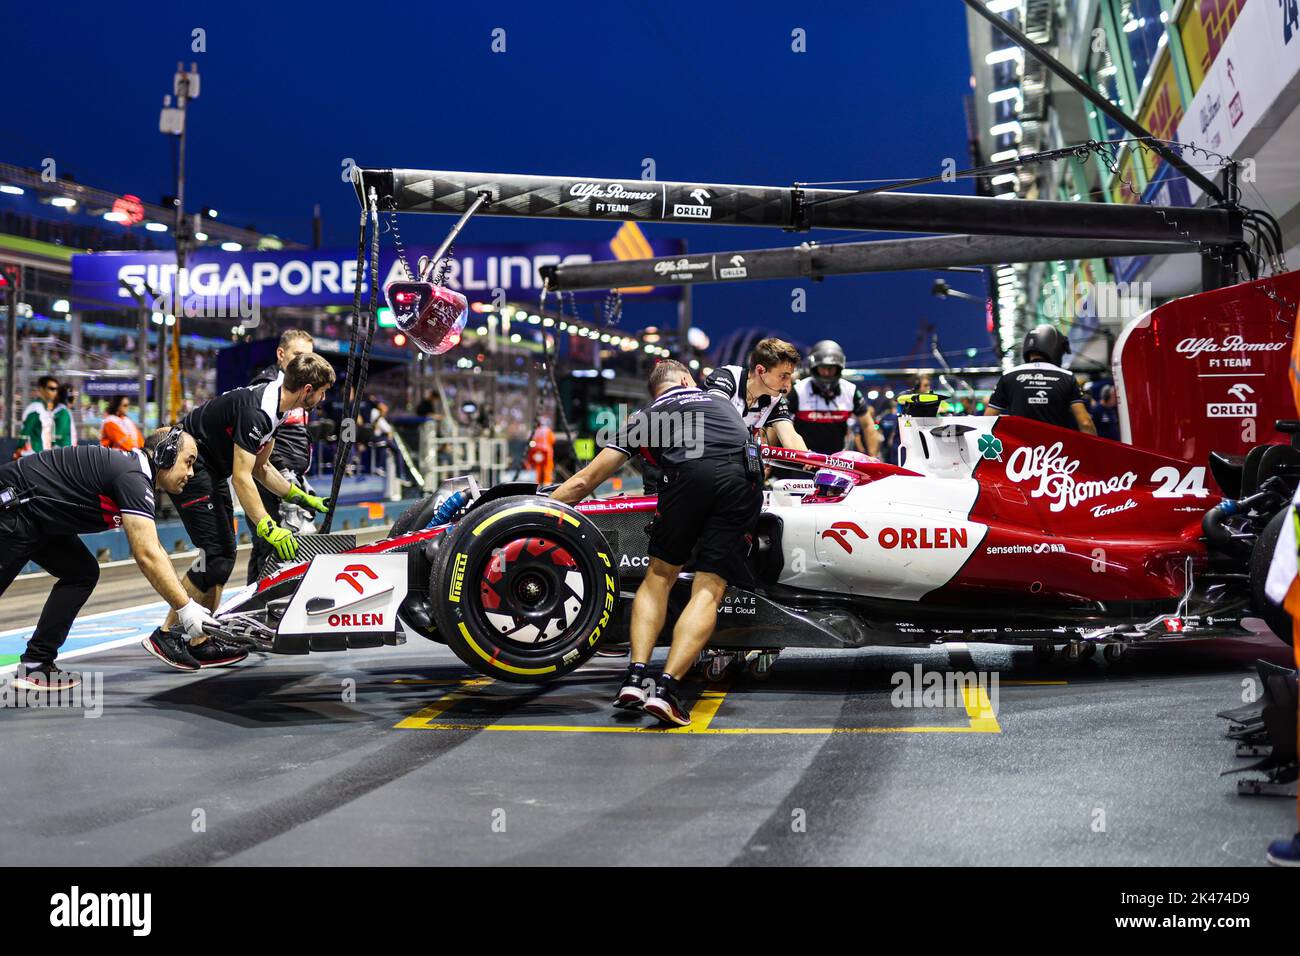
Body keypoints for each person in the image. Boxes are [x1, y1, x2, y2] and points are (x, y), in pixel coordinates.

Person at [551, 359, 762, 726]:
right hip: (738, 479)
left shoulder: (646, 417)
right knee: (709, 586)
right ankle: (667, 689)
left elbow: (584, 483)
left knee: (660, 576)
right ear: (686, 380)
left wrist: (535, 509)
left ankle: (635, 678)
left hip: (683, 479)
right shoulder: (721, 401)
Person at [143, 351, 337, 669]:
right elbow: (243, 477)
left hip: (209, 468)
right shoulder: (259, 411)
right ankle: (167, 635)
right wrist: (267, 526)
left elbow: (262, 469)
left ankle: (200, 640)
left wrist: (302, 498)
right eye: (322, 391)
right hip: (190, 464)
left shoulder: (276, 409)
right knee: (216, 553)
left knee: (222, 557)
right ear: (307, 390)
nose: (323, 397)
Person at [0, 428, 233, 690]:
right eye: (188, 462)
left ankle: (36, 664)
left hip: (38, 518)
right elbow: (146, 555)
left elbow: (155, 547)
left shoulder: (135, 475)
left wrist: (185, 605)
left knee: (81, 573)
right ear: (166, 456)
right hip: (13, 509)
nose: (191, 473)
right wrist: (185, 609)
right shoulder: (132, 477)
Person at [245, 329, 317, 584]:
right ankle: (255, 604)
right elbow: (259, 440)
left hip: (291, 477)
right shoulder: (266, 387)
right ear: (281, 354)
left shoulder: (302, 390)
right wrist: (284, 476)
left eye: (309, 356)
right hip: (268, 480)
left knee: (284, 546)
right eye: (298, 355)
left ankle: (260, 601)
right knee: (269, 545)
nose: (304, 363)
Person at [985, 324, 1096, 434]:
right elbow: (1085, 423)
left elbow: (988, 419)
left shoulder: (1008, 375)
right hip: (1056, 449)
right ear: (1056, 348)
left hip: (1020, 450)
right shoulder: (1067, 377)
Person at [701, 337, 807, 450]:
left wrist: (809, 460)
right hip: (697, 451)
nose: (788, 384)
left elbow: (790, 437)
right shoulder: (726, 377)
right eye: (783, 376)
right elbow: (718, 417)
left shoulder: (774, 398)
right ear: (760, 370)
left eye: (790, 376)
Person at [786, 339, 879, 456]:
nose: (826, 372)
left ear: (839, 368)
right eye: (822, 367)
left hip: (837, 462)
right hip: (803, 461)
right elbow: (779, 422)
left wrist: (873, 457)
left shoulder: (850, 390)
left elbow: (868, 424)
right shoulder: (799, 390)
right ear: (814, 367)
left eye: (831, 368)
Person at [20, 376, 57, 455]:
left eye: (56, 389)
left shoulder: (48, 410)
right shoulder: (35, 408)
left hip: (45, 455)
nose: (54, 392)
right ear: (41, 389)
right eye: (51, 389)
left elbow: (51, 435)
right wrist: (19, 448)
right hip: (33, 455)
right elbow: (25, 433)